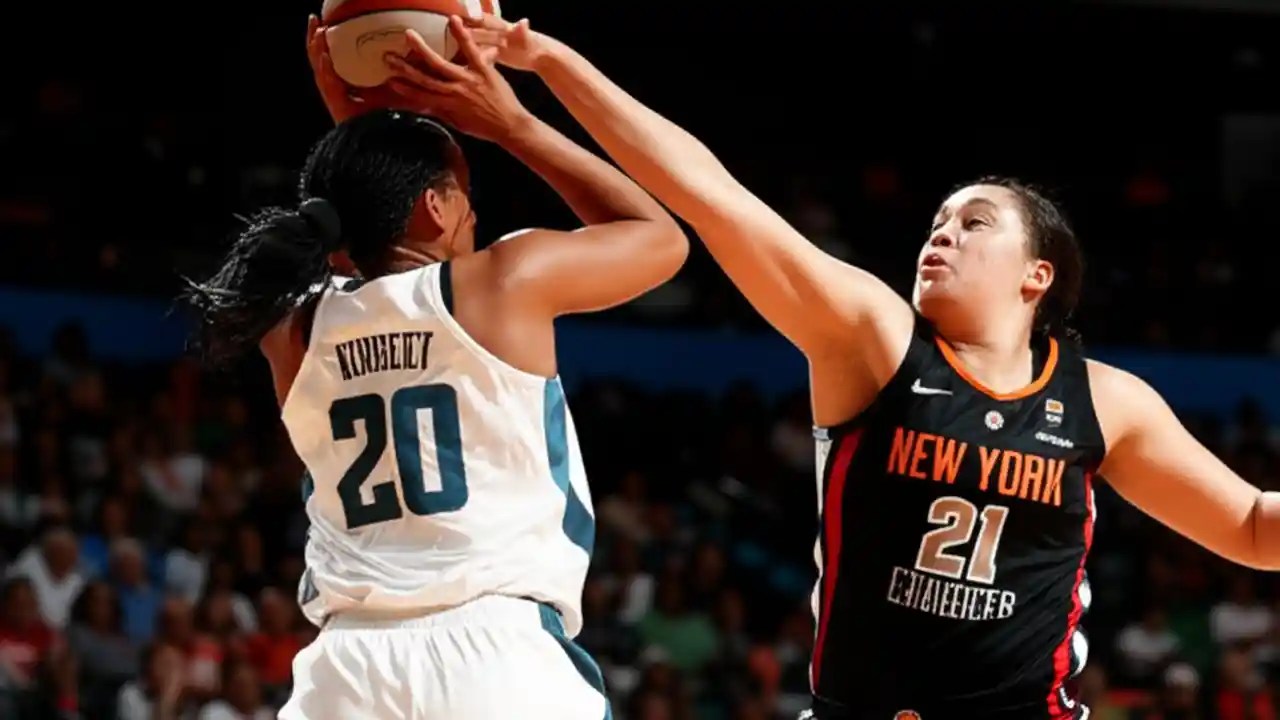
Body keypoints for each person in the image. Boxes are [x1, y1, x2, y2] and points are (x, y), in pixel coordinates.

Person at [448, 12, 1280, 718]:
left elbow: (1250, 528)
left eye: (975, 222)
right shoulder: (874, 340)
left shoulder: (1106, 400)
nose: (942, 233)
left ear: (1039, 275)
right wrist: (551, 62)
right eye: (938, 220)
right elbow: (712, 194)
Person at [180, 17, 687, 720]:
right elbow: (659, 238)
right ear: (435, 206)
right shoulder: (501, 282)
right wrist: (512, 125)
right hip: (496, 659)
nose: (473, 214)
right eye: (463, 196)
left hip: (345, 673)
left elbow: (360, 240)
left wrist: (366, 145)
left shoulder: (289, 324)